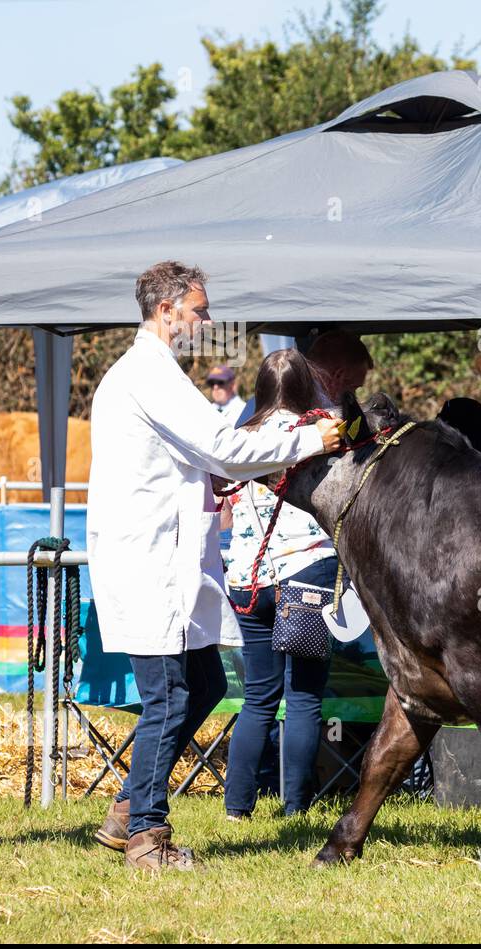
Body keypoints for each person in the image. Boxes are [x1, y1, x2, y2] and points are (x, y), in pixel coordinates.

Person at [87, 261, 343, 871]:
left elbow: (196, 459)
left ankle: (128, 810)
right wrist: (313, 441)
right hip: (147, 557)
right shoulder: (149, 374)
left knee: (202, 685)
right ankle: (147, 838)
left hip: (160, 555)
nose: (206, 320)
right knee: (171, 698)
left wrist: (213, 481)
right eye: (200, 309)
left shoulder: (148, 374)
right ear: (167, 308)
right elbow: (223, 446)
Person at [222, 349, 340, 819]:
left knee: (258, 698)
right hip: (306, 571)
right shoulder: (320, 434)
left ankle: (236, 807)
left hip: (247, 578)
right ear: (304, 386)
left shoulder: (241, 437)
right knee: (305, 697)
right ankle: (295, 808)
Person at [306, 330, 374, 413]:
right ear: (339, 375)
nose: (354, 396)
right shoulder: (318, 416)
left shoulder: (298, 396)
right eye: (353, 387)